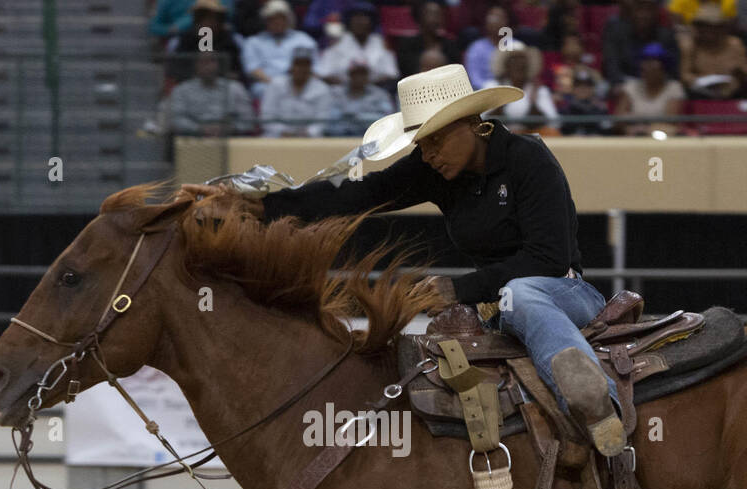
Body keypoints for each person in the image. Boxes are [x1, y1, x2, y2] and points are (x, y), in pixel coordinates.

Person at [187, 63, 625, 458]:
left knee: (522, 293)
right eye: (421, 142)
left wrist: (458, 289)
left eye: (436, 139)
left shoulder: (529, 159)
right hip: (494, 309)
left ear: (473, 123)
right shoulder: (433, 170)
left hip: (563, 292)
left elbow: (548, 259)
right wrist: (261, 206)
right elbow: (357, 194)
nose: (428, 153)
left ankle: (599, 406)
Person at [161, 48, 255, 135]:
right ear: (196, 65)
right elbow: (175, 119)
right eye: (203, 62)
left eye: (212, 61)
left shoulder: (235, 88)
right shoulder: (182, 90)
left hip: (230, 139)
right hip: (192, 140)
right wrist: (199, 128)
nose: (208, 66)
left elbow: (249, 120)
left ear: (218, 64)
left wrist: (229, 128)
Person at [242, 0, 319, 98]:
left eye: (281, 17)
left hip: (300, 85)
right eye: (272, 18)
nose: (277, 21)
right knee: (262, 90)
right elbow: (252, 70)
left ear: (288, 19)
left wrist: (294, 85)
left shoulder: (304, 40)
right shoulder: (253, 42)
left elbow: (314, 70)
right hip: (266, 86)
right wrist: (277, 86)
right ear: (266, 20)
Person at [601, 0, 682, 87]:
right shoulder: (616, 32)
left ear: (656, 13)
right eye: (639, 10)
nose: (643, 15)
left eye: (649, 10)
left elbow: (673, 72)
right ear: (631, 12)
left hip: (657, 87)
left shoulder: (666, 36)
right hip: (625, 85)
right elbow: (612, 68)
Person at [315, 2, 398, 85]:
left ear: (372, 21)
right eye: (356, 18)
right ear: (348, 21)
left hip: (375, 92)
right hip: (340, 92)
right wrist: (350, 86)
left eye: (364, 18)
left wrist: (365, 86)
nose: (359, 22)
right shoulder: (337, 42)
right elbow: (323, 74)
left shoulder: (380, 42)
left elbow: (392, 74)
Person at [165, 0, 244, 85]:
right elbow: (176, 71)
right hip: (191, 87)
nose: (209, 22)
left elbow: (237, 72)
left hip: (222, 88)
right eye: (204, 17)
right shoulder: (186, 39)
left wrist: (216, 72)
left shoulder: (228, 40)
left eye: (213, 18)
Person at [259, 47, 333, 136]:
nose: (301, 68)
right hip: (277, 136)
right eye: (298, 64)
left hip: (309, 139)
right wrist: (283, 131)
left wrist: (308, 133)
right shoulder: (276, 84)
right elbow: (267, 116)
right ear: (291, 66)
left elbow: (322, 119)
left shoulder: (321, 88)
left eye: (305, 64)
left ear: (311, 67)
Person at [485, 42, 559, 129]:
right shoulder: (492, 87)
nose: (519, 64)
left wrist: (533, 104)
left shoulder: (539, 89)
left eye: (522, 60)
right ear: (506, 65)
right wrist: (500, 103)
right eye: (514, 60)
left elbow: (554, 124)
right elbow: (482, 122)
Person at [616, 42, 685, 133]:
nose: (646, 67)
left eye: (651, 63)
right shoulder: (631, 86)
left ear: (663, 68)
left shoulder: (674, 87)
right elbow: (617, 120)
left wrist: (642, 126)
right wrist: (630, 129)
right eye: (644, 62)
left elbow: (669, 120)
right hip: (633, 136)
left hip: (662, 136)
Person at [325, 57, 394, 133]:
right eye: (356, 74)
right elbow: (329, 120)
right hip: (341, 138)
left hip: (371, 137)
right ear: (349, 75)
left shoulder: (380, 95)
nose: (359, 77)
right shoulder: (336, 94)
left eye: (363, 74)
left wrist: (360, 117)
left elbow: (387, 119)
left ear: (368, 75)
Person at [395, 1, 460, 80]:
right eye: (430, 14)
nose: (435, 19)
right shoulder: (407, 44)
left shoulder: (450, 44)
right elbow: (405, 73)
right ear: (419, 16)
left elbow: (456, 72)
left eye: (438, 14)